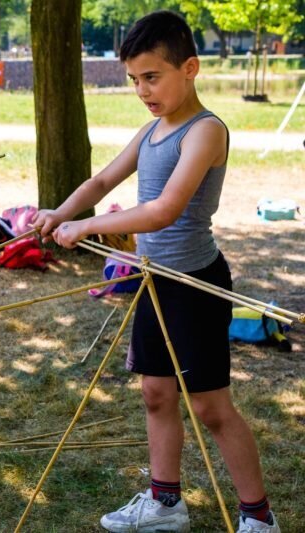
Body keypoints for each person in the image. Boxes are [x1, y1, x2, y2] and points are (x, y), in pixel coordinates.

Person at [32, 11, 280, 533]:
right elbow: (101, 180)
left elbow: (166, 209)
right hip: (153, 281)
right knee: (155, 393)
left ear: (189, 68)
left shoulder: (205, 131)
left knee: (211, 408)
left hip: (195, 286)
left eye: (152, 77)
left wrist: (90, 228)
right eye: (134, 80)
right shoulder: (151, 131)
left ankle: (258, 516)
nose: (143, 90)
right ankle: (166, 504)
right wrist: (61, 212)